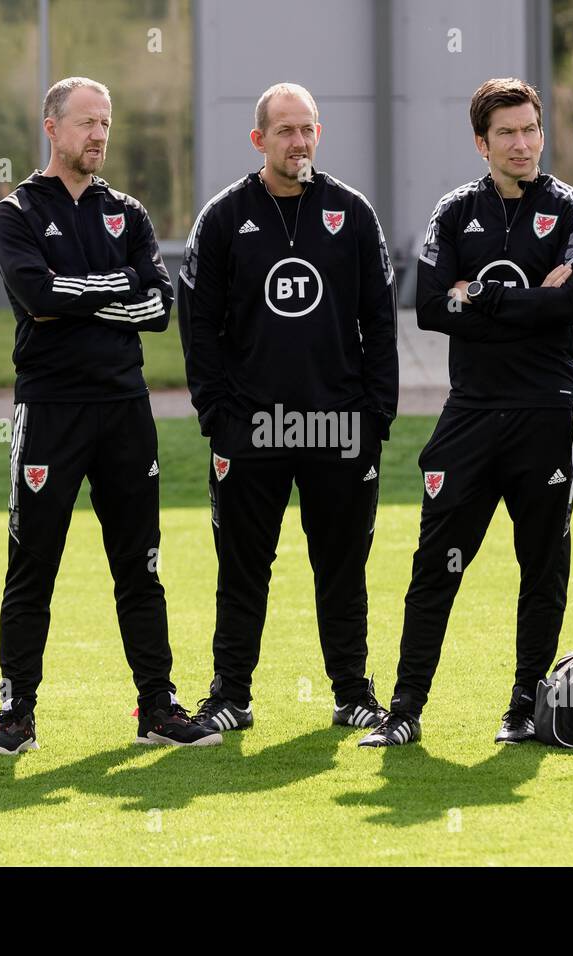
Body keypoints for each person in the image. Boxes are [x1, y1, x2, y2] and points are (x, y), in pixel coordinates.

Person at [0, 77, 220, 753]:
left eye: (106, 123)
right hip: (51, 412)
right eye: (86, 122)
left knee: (139, 565)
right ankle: (16, 714)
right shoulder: (17, 211)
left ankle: (157, 708)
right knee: (33, 564)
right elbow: (36, 296)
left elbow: (160, 306)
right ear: (51, 127)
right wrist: (114, 287)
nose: (99, 136)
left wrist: (77, 296)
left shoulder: (129, 213)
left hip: (123, 411)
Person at [359, 77, 573, 749]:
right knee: (437, 561)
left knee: (541, 564)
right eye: (507, 135)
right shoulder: (453, 212)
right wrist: (519, 305)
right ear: (481, 143)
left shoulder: (572, 209)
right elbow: (429, 307)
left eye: (530, 130)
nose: (521, 144)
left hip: (547, 412)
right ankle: (404, 710)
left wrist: (481, 297)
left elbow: (565, 305)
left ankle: (523, 707)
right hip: (470, 411)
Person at [178, 82, 399, 734]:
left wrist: (375, 416)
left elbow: (379, 322)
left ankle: (353, 692)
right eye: (285, 131)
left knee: (342, 568)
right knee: (243, 569)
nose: (298, 142)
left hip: (339, 428)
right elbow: (200, 327)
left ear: (318, 135)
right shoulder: (224, 219)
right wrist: (216, 414)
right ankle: (230, 697)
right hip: (252, 429)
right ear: (260, 140)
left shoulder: (351, 215)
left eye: (307, 130)